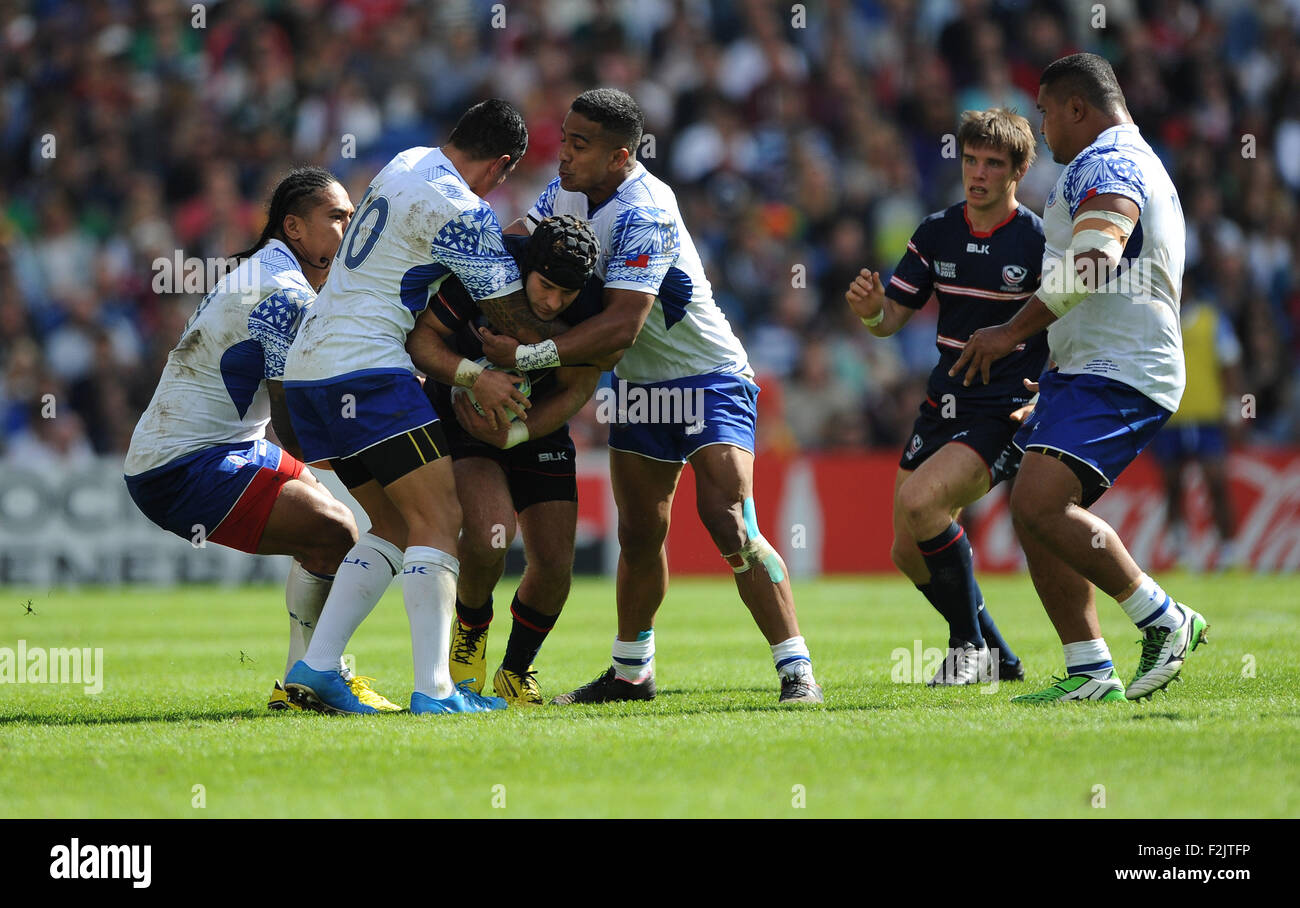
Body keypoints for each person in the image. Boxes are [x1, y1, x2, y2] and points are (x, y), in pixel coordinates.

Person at [475, 88, 822, 704]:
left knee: (730, 522)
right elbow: (518, 241)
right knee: (638, 533)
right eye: (566, 137)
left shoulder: (646, 208)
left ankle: (796, 669)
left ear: (620, 155)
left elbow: (622, 325)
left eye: (580, 145)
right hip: (639, 386)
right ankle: (631, 671)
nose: (565, 154)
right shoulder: (567, 193)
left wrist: (525, 355)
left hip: (708, 376)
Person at [952, 53, 1209, 703]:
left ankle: (1163, 618)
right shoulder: (1128, 160)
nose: (1041, 128)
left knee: (1038, 504)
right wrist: (1055, 363)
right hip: (1092, 363)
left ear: (1076, 107)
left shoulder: (1108, 162)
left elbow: (1095, 259)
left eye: (1044, 111)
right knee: (1034, 512)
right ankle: (1091, 669)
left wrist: (1010, 332)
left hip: (1121, 366)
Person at [279, 99, 535, 715]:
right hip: (367, 367)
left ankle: (316, 668)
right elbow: (511, 316)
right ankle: (436, 689)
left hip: (308, 368)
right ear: (501, 166)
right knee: (439, 520)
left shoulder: (407, 160)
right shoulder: (465, 211)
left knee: (394, 526)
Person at [124, 168, 402, 711]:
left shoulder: (265, 271)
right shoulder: (282, 293)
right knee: (337, 533)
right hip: (183, 466)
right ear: (294, 227)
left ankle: (303, 680)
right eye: (337, 217)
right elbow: (294, 426)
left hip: (224, 446)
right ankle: (318, 675)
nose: (349, 228)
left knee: (329, 532)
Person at [846, 107, 1046, 685]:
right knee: (906, 550)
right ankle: (998, 656)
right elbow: (890, 320)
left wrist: (1049, 391)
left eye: (992, 163)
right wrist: (869, 314)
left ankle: (968, 651)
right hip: (943, 404)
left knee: (923, 504)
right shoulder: (936, 231)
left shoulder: (1038, 242)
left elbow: (1069, 325)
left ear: (1019, 170)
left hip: (1003, 410)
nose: (977, 173)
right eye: (971, 160)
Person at [409, 214, 604, 706]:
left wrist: (519, 431)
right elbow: (422, 341)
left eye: (566, 294)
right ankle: (471, 628)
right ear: (526, 266)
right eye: (546, 286)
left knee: (557, 564)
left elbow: (580, 385)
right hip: (463, 421)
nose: (553, 302)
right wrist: (475, 377)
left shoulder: (593, 302)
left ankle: (516, 670)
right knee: (493, 532)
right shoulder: (484, 271)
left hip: (538, 427)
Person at [1150, 294, 1243, 570]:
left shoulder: (1210, 319)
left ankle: (1229, 552)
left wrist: (1236, 409)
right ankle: (1180, 553)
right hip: (1169, 418)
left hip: (1207, 418)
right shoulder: (1156, 316)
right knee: (1172, 485)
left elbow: (1230, 363)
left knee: (1216, 483)